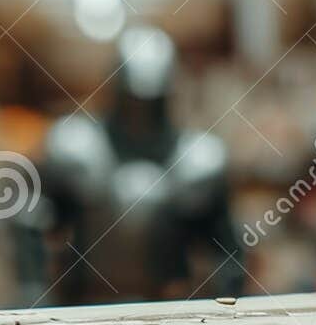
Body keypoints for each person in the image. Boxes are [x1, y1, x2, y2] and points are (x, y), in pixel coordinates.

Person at [37, 25, 242, 304]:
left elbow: (227, 252)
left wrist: (227, 302)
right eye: (131, 101)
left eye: (150, 103)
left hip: (172, 306)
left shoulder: (200, 158)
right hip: (87, 306)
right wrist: (33, 292)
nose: (140, 113)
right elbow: (38, 225)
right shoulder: (76, 146)